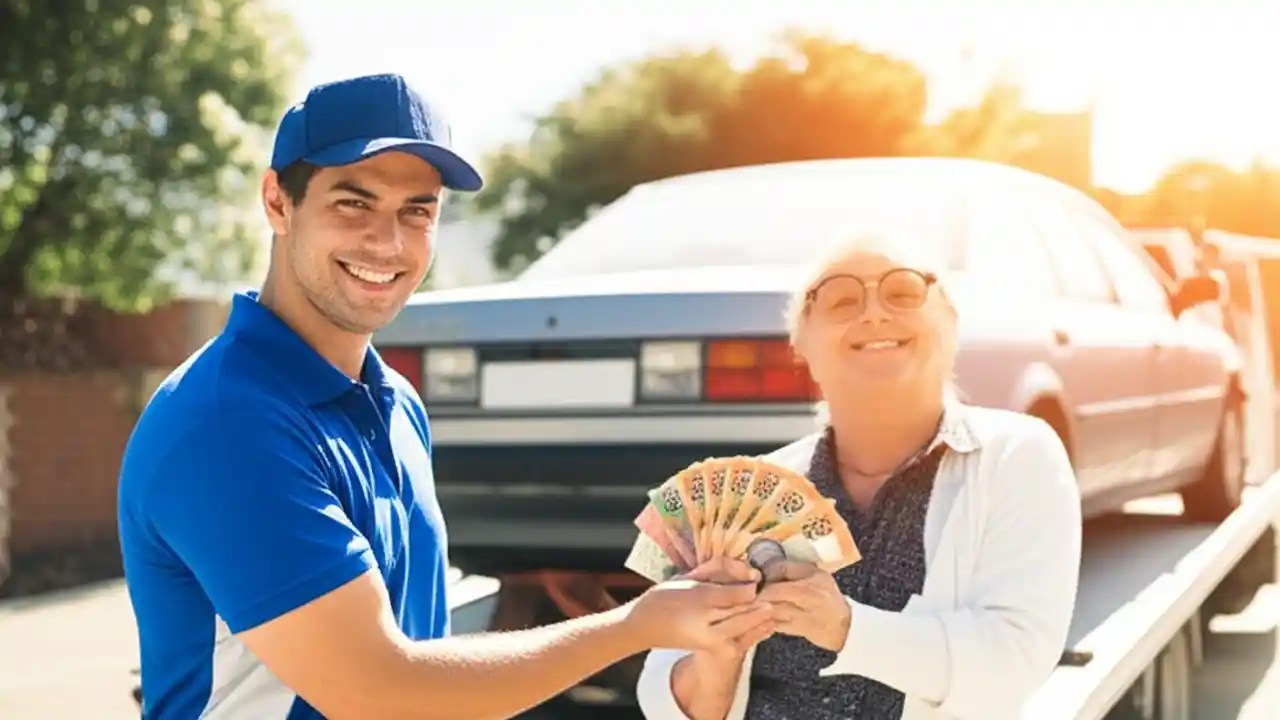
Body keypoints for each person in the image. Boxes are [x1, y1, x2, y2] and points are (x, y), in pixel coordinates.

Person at [117, 73, 773, 720]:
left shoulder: (397, 403)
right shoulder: (225, 423)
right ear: (277, 202)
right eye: (353, 202)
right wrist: (637, 625)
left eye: (418, 211)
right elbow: (376, 691)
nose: (389, 242)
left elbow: (419, 656)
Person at [636, 228, 1083, 719]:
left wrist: (848, 628)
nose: (873, 312)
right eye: (841, 300)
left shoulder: (1018, 455)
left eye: (903, 292)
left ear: (950, 321)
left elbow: (1014, 658)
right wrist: (715, 662)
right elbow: (663, 699)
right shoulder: (751, 492)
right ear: (801, 344)